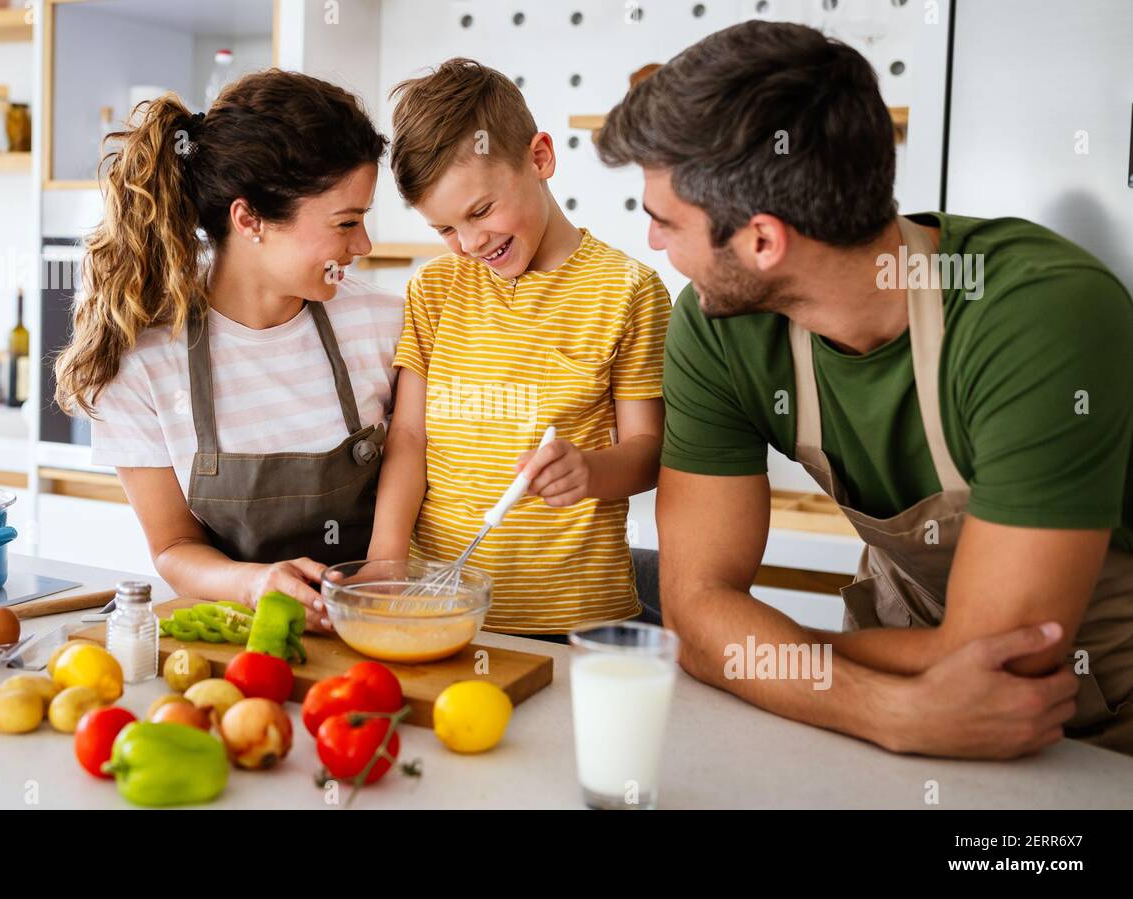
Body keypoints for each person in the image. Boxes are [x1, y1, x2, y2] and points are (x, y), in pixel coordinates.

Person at [597, 21, 1133, 758]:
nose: (655, 243)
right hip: (889, 701)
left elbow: (1011, 657)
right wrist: (889, 710)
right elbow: (696, 612)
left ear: (762, 241)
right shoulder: (718, 327)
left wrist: (762, 653)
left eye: (663, 221)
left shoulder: (1042, 316)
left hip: (1105, 709)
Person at [54, 71, 403, 631]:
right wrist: (254, 582)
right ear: (249, 220)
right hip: (242, 643)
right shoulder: (143, 361)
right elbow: (172, 545)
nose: (362, 245)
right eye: (346, 223)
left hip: (383, 627)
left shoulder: (383, 322)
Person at [368, 59, 672, 635]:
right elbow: (408, 436)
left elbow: (649, 450)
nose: (470, 242)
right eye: (445, 229)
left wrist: (591, 471)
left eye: (480, 211)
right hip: (444, 609)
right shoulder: (435, 290)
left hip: (577, 621)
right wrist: (386, 560)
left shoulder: (627, 291)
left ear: (540, 159)